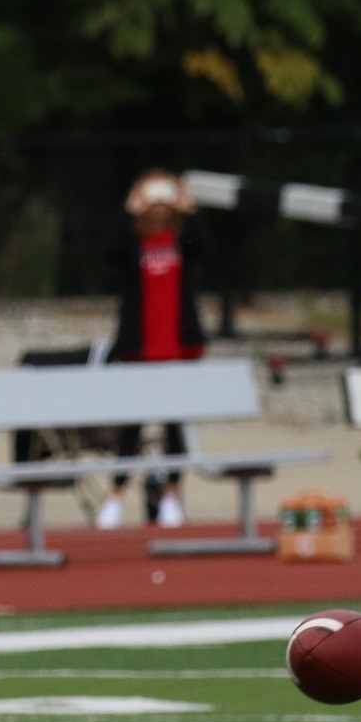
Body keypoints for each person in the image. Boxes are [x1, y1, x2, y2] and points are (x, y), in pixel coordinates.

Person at [96, 170, 208, 530]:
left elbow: (206, 247)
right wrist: (129, 209)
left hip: (178, 344)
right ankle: (116, 497)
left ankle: (172, 496)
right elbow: (109, 249)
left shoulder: (182, 241)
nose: (159, 211)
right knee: (133, 426)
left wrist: (189, 209)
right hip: (140, 345)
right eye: (153, 204)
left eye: (165, 204)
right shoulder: (133, 243)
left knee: (175, 426)